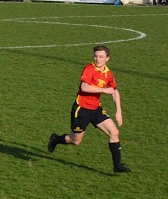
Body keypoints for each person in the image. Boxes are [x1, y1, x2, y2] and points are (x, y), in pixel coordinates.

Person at [48, 44, 130, 173]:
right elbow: (84, 87)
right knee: (76, 141)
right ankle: (56, 139)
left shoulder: (108, 74)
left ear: (107, 58)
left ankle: (117, 166)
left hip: (96, 109)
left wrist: (118, 111)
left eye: (101, 57)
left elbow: (114, 91)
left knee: (114, 132)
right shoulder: (89, 69)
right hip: (82, 110)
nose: (97, 59)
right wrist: (104, 90)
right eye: (96, 56)